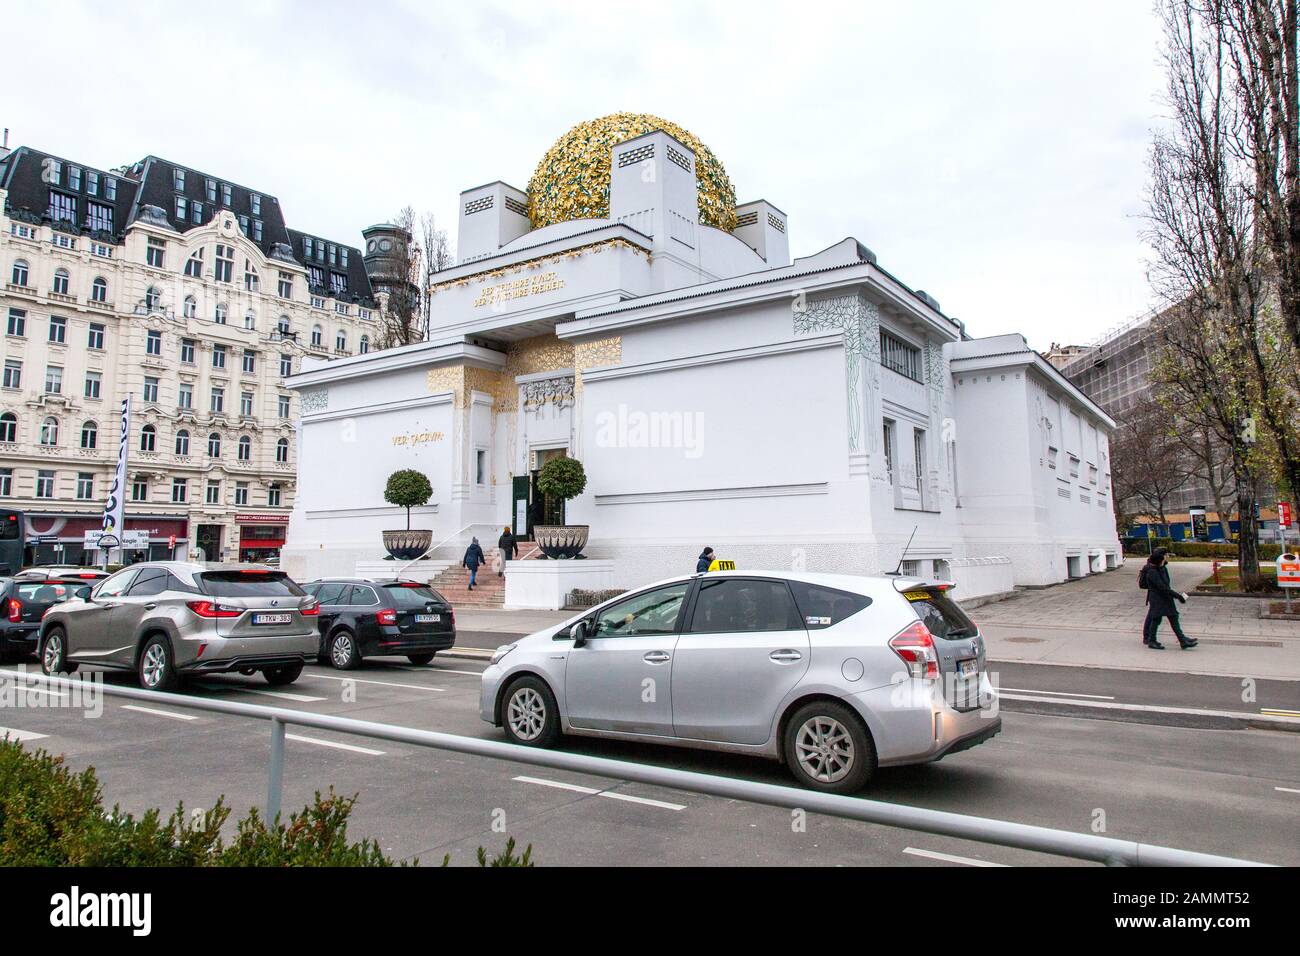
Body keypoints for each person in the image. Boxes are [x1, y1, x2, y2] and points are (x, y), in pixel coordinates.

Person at [1139, 547, 1198, 650]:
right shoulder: (1152, 572)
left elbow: (1166, 586)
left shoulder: (1162, 568)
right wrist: (1178, 596)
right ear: (1161, 558)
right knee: (1156, 619)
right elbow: (1163, 588)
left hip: (1166, 598)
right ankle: (1151, 640)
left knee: (1173, 618)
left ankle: (1182, 640)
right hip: (1158, 599)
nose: (1167, 557)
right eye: (1166, 555)